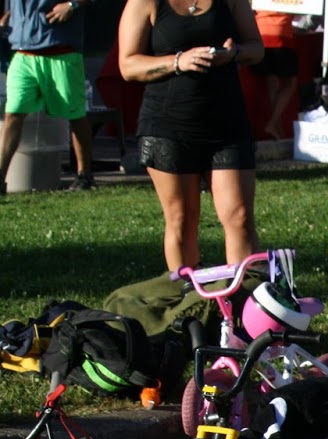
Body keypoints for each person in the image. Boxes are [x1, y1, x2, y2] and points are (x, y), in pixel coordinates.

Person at [118, 0, 265, 271]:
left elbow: (257, 49)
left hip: (227, 122)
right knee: (182, 219)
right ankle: (189, 300)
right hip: (168, 125)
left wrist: (233, 54)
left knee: (240, 217)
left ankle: (245, 300)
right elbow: (128, 65)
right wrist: (178, 61)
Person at [0, 0, 99, 195]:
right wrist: (6, 20)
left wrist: (72, 5)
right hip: (22, 53)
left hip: (61, 51)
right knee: (13, 113)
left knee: (75, 113)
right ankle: (1, 178)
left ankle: (84, 175)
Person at [253, 8, 297, 139]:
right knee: (290, 83)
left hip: (261, 32)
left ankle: (278, 130)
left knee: (273, 84)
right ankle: (273, 125)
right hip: (281, 33)